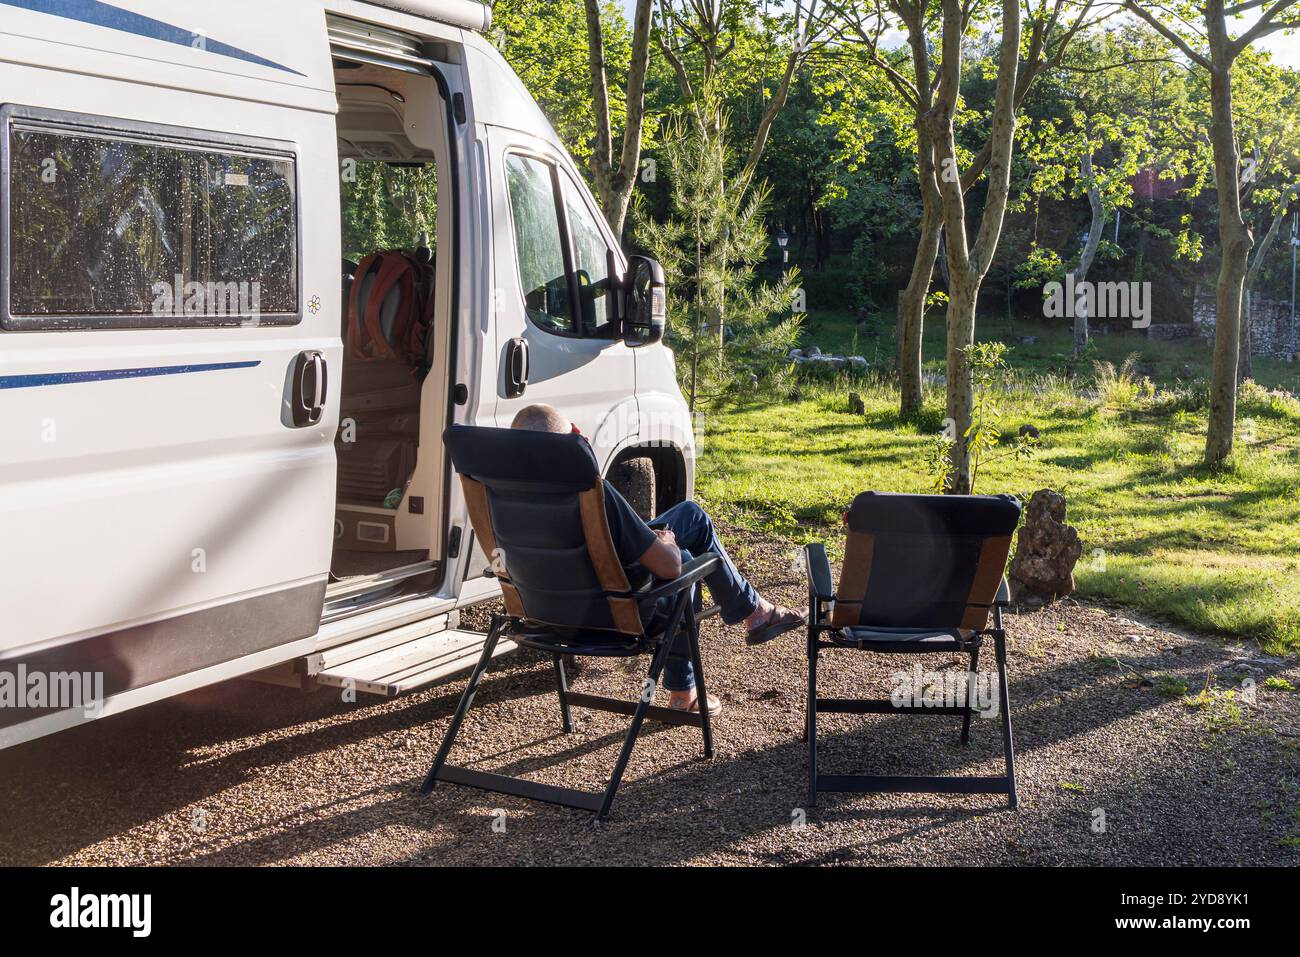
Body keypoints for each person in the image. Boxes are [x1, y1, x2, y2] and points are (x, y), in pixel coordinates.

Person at [510, 403, 805, 715]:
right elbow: (669, 567)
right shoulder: (591, 493)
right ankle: (685, 689)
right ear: (572, 441)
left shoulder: (497, 494)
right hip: (612, 615)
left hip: (542, 611)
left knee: (691, 515)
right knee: (685, 562)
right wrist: (665, 543)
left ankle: (754, 612)